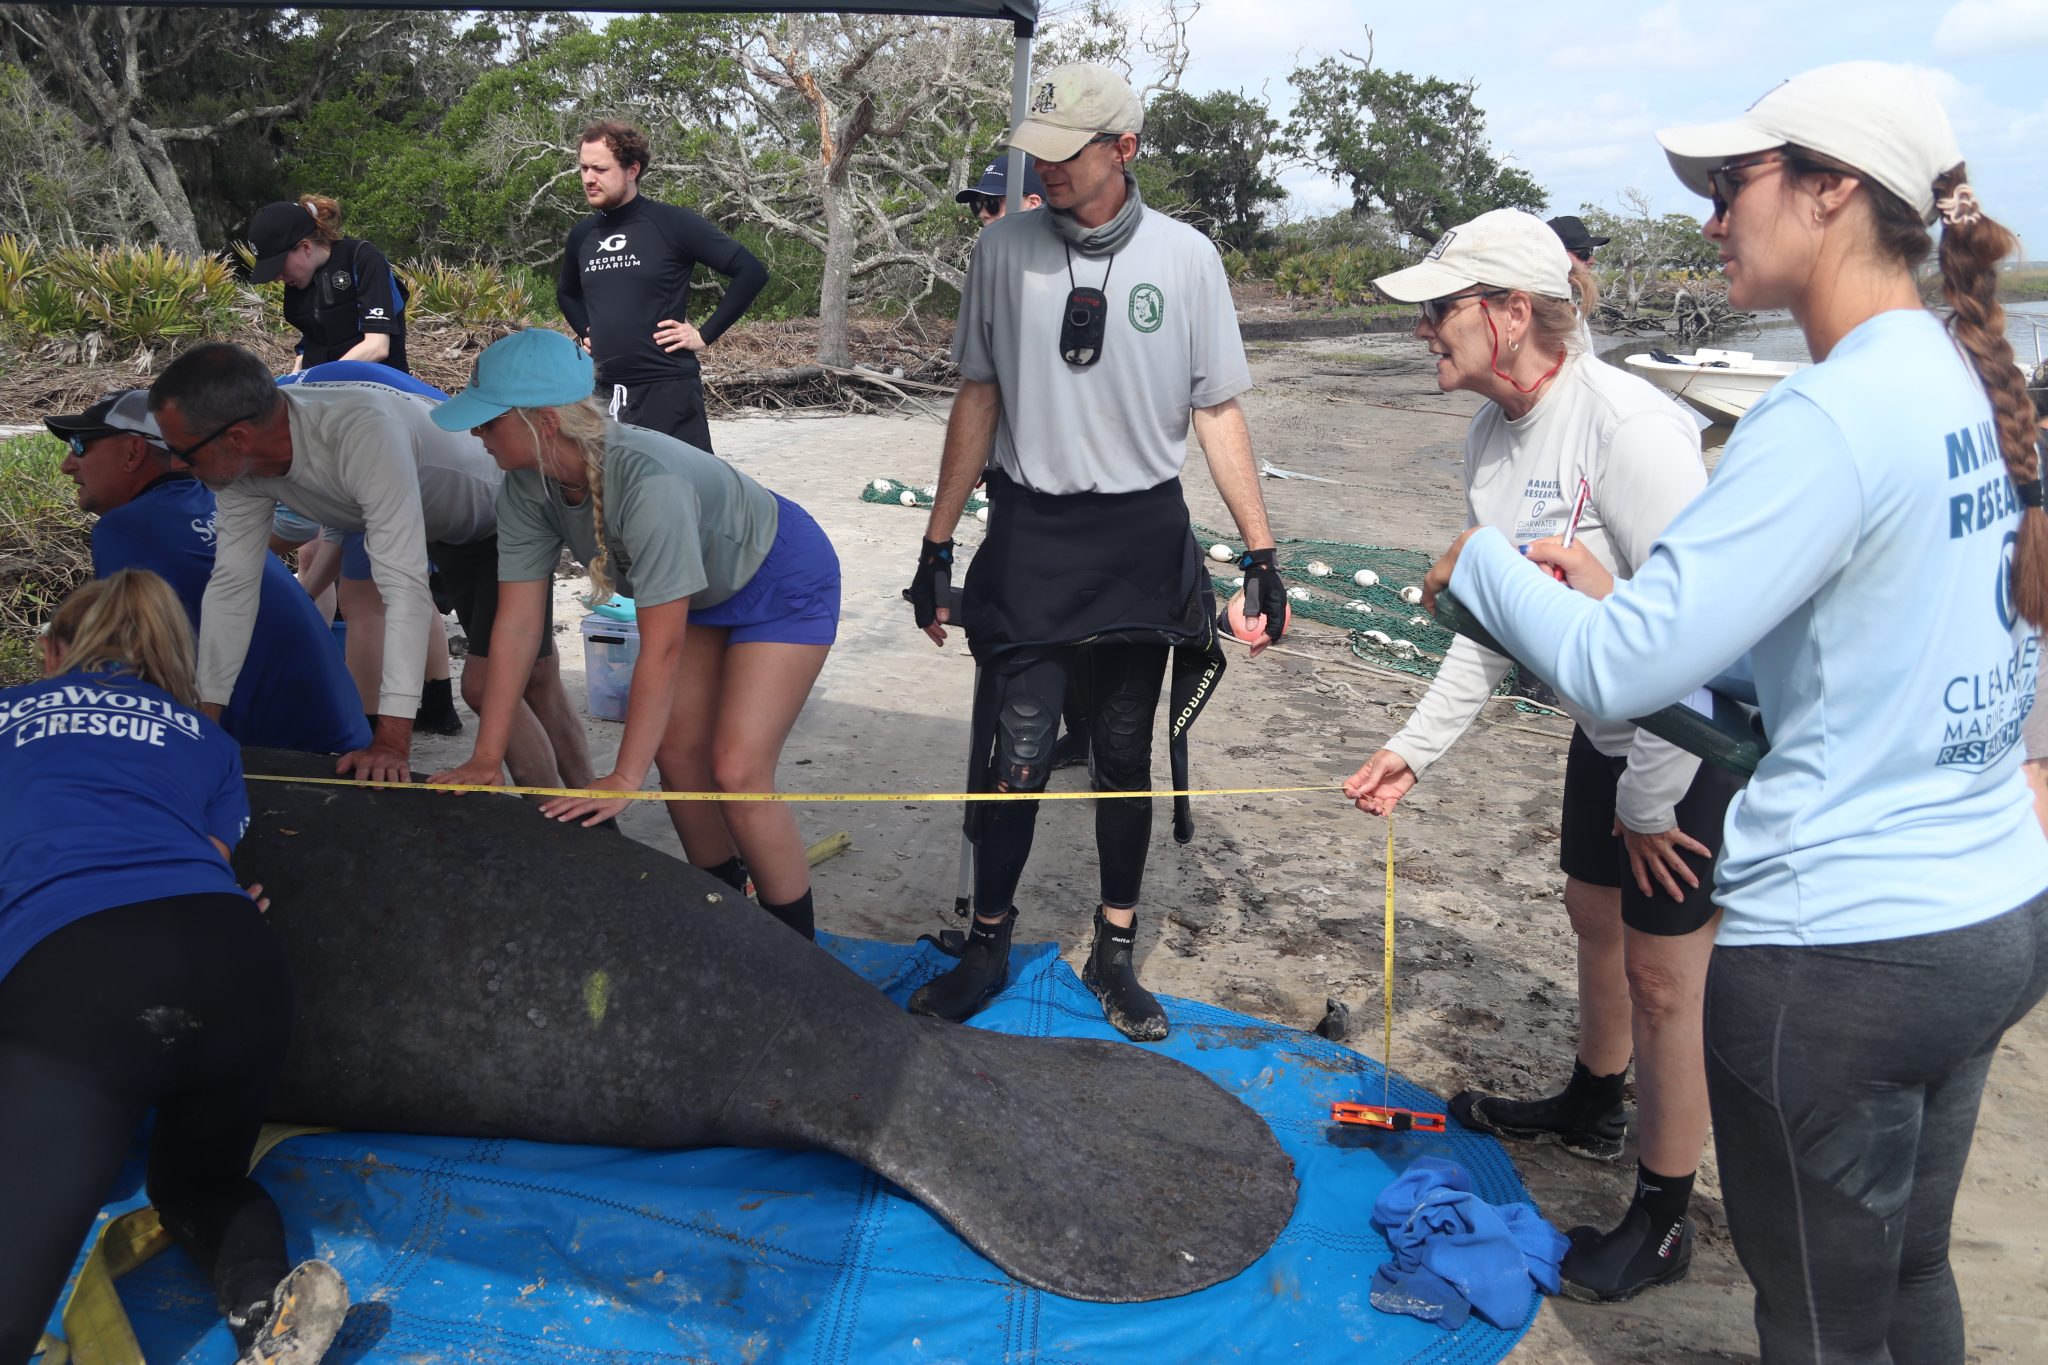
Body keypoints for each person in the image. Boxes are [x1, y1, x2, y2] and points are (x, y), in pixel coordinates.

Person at [1426, 63, 2048, 1360]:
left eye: (1732, 185)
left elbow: (1616, 675)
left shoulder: (1820, 417)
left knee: (1817, 1320)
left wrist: (1476, 567)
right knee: (1906, 1282)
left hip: (1845, 956)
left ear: (1831, 192)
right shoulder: (1969, 382)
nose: (1712, 218)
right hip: (1989, 916)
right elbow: (1860, 642)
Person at [1341, 208, 1736, 1303]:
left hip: (1686, 743)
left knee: (1664, 977)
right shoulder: (1487, 439)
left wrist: (1651, 800)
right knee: (1588, 911)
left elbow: (1697, 630)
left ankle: (1662, 1214)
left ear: (1511, 315)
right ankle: (1592, 1100)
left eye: (1438, 310)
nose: (1422, 330)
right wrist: (1412, 750)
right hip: (1604, 728)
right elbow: (1495, 624)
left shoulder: (1627, 428)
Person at [903, 63, 1285, 1041]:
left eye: (1066, 154)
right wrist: (936, 543)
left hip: (1138, 537)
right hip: (1032, 534)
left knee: (1121, 752)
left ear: (1124, 149)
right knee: (1017, 754)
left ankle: (1115, 951)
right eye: (1037, 153)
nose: (1044, 171)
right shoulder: (1003, 252)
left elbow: (1214, 407)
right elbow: (976, 398)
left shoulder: (1188, 257)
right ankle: (987, 941)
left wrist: (1260, 554)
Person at [0, 571, 349, 1365]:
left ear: (55, 651)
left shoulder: (7, 711)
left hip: (83, 969)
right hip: (237, 961)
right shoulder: (206, 738)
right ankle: (266, 1298)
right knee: (200, 1182)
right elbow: (216, 864)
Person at [428, 328, 839, 940]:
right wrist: (488, 756)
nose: (475, 435)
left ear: (543, 422)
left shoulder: (648, 482)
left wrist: (624, 777)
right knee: (675, 754)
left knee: (736, 770)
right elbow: (516, 623)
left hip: (780, 576)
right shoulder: (524, 483)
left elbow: (663, 648)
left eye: (488, 423)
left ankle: (800, 950)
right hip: (699, 589)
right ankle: (725, 913)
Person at [148, 343, 588, 793]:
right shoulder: (241, 465)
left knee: (489, 688)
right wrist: (208, 721)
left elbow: (404, 592)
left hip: (506, 513)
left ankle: (570, 823)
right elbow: (232, 587)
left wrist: (393, 742)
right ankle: (587, 814)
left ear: (238, 438)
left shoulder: (360, 430)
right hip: (446, 527)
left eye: (185, 451)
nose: (177, 464)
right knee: (534, 682)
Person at [44, 389, 367, 757]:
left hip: (281, 758)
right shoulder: (212, 502)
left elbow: (122, 666)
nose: (68, 464)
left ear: (133, 452)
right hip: (339, 735)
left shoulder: (128, 528)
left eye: (80, 446)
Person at [557, 120, 768, 453]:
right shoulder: (583, 236)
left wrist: (703, 334)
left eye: (599, 168)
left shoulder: (671, 224)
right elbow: (566, 293)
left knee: (683, 495)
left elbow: (751, 271)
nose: (588, 178)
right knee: (610, 497)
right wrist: (586, 330)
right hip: (602, 394)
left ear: (632, 169)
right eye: (583, 168)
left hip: (667, 392)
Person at [247, 196, 408, 374]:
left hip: (379, 388)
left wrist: (323, 380)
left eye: (279, 266)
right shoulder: (298, 284)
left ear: (305, 247)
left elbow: (377, 346)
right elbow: (308, 346)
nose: (277, 277)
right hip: (324, 394)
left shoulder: (362, 259)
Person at [956, 155, 1046, 225]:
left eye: (992, 203)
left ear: (1033, 204)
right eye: (976, 204)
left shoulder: (1054, 248)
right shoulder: (988, 247)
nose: (982, 214)